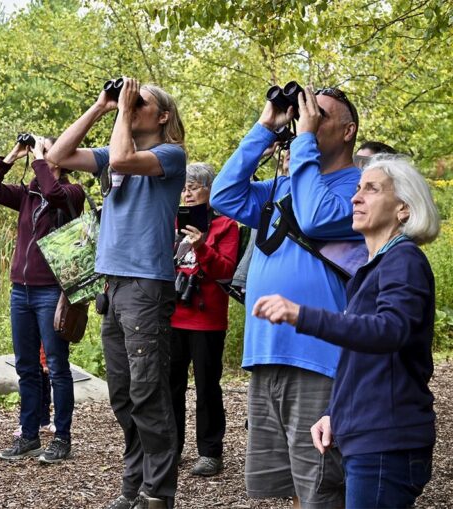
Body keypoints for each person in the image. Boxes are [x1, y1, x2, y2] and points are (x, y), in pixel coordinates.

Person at [253, 155, 440, 508]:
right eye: (357, 189)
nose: (355, 198)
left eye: (371, 189)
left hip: (388, 441)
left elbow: (389, 331)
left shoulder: (404, 260)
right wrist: (336, 414)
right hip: (370, 438)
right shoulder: (374, 269)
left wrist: (302, 315)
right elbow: (363, 360)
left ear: (403, 208)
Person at [210, 85, 362, 508]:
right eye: (303, 113)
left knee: (322, 487)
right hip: (266, 353)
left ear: (348, 131)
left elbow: (314, 218)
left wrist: (304, 142)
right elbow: (223, 194)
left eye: (320, 114)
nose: (307, 119)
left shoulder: (362, 189)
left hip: (321, 358)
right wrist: (266, 126)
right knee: (292, 488)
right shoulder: (279, 189)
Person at [48, 77, 186, 509]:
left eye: (140, 101)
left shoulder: (170, 155)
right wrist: (101, 106)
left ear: (162, 116)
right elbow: (57, 155)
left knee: (148, 391)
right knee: (123, 394)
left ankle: (158, 493)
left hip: (146, 286)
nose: (131, 103)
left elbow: (124, 160)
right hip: (113, 285)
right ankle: (134, 485)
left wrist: (122, 113)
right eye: (131, 98)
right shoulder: (116, 152)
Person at [0, 135, 84, 463]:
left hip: (51, 291)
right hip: (20, 290)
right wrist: (13, 154)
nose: (42, 154)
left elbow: (53, 192)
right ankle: (29, 436)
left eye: (50, 150)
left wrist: (41, 158)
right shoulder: (28, 195)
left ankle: (62, 438)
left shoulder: (72, 192)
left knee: (56, 366)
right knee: (26, 366)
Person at [169, 163, 239, 477]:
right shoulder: (172, 222)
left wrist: (202, 247)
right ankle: (171, 448)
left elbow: (225, 270)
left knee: (207, 386)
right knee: (171, 386)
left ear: (210, 191)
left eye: (194, 186)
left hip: (207, 317)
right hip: (174, 315)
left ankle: (210, 452)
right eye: (184, 187)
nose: (187, 192)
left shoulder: (226, 226)